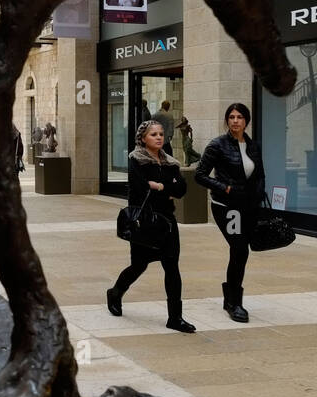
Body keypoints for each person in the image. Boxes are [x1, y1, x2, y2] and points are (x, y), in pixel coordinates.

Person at [106, 120, 195, 333]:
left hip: (167, 222)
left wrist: (159, 186)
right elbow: (139, 187)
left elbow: (182, 189)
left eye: (161, 134)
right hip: (144, 222)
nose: (159, 137)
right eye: (153, 134)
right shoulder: (136, 160)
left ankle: (175, 317)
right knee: (139, 265)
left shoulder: (171, 162)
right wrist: (167, 186)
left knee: (172, 267)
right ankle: (115, 292)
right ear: (143, 138)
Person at [195, 102, 266, 323]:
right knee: (239, 249)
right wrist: (224, 188)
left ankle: (231, 299)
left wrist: (258, 194)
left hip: (249, 206)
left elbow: (260, 174)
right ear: (227, 120)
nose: (235, 120)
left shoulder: (253, 146)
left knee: (241, 251)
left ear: (246, 121)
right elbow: (200, 174)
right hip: (227, 207)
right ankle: (234, 302)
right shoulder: (218, 145)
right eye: (231, 117)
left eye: (240, 117)